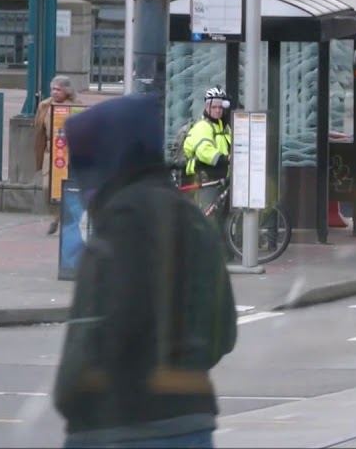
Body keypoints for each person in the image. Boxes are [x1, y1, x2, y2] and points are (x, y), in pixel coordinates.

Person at [55, 92, 237, 449]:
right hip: (192, 420)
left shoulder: (117, 226)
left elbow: (90, 337)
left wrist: (71, 397)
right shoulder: (193, 222)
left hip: (116, 426)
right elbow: (223, 333)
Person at [35, 75, 78, 235]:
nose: (54, 92)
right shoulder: (44, 105)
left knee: (67, 188)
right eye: (52, 89)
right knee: (47, 187)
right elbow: (39, 129)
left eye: (58, 89)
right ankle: (56, 216)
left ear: (67, 91)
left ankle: (62, 219)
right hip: (50, 152)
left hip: (69, 153)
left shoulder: (76, 106)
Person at [182, 87, 233, 213]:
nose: (217, 110)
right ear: (207, 107)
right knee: (208, 216)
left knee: (220, 216)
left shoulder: (225, 128)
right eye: (214, 107)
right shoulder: (202, 126)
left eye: (220, 107)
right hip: (206, 177)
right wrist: (225, 158)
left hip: (220, 178)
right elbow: (205, 151)